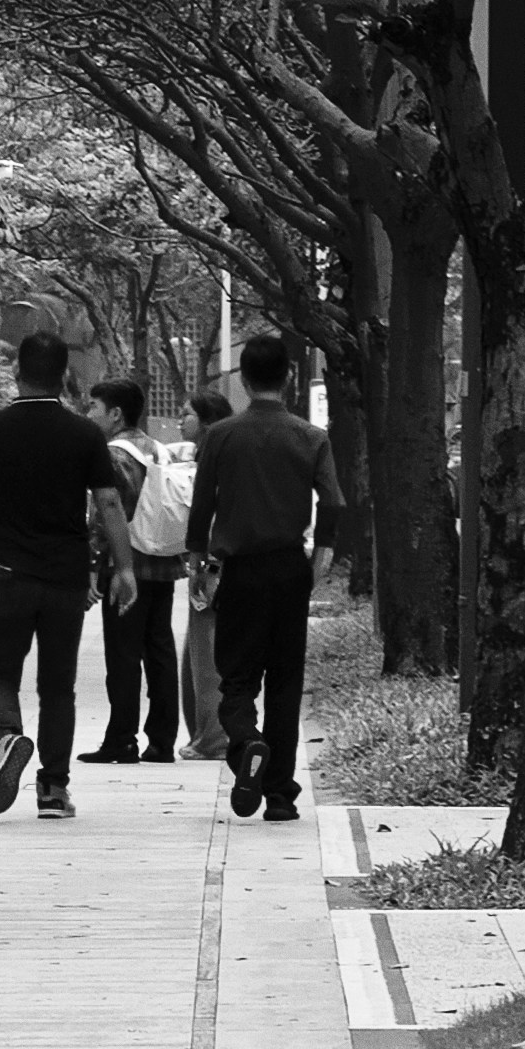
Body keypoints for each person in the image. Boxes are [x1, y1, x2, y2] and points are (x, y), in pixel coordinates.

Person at [0, 326, 138, 816]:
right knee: (57, 686)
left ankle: (6, 737)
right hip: (66, 577)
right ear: (65, 375)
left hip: (7, 573)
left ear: (15, 372)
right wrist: (126, 568)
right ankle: (53, 789)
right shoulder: (85, 433)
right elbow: (109, 501)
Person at [186, 328, 335, 822]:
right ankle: (279, 796)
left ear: (244, 381)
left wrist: (198, 565)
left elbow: (203, 504)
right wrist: (324, 554)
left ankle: (246, 743)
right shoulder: (311, 437)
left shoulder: (221, 436)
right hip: (290, 570)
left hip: (240, 573)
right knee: (286, 682)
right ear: (288, 378)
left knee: (237, 679)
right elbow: (333, 501)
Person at [84, 377, 185, 765]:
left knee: (123, 654)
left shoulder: (112, 454)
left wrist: (97, 565)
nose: (89, 414)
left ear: (115, 413)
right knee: (159, 651)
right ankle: (162, 741)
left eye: (94, 407)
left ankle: (121, 739)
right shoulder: (159, 450)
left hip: (126, 567)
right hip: (162, 562)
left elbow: (107, 514)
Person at [176, 387, 231, 758]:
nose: (181, 420)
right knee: (198, 651)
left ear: (207, 420)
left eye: (187, 414)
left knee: (206, 652)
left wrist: (197, 561)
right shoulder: (233, 449)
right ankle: (204, 733)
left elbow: (203, 510)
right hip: (227, 560)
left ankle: (212, 738)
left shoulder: (214, 453)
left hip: (213, 563)